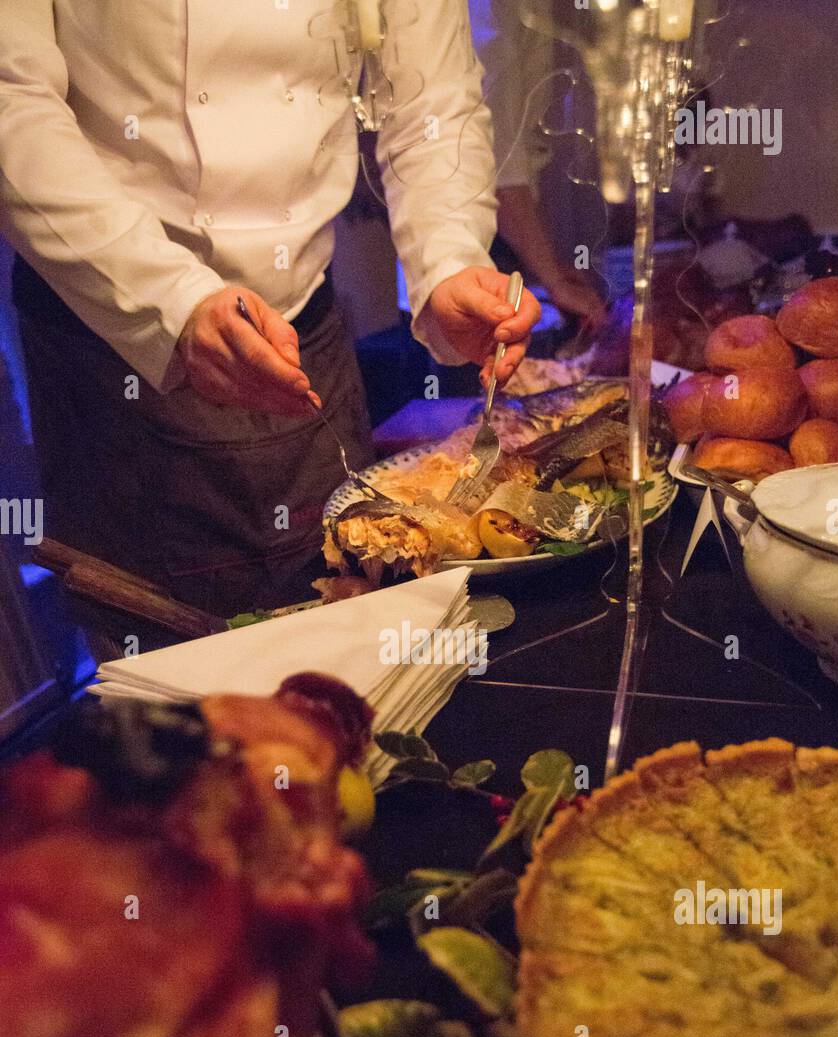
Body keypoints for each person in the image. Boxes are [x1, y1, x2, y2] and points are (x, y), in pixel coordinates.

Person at [0, 1, 539, 617]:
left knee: (361, 620)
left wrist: (447, 258)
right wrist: (170, 300)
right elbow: (12, 98)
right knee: (174, 677)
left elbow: (430, 102)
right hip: (116, 338)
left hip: (310, 331)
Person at [468, 0, 605, 336]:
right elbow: (499, 168)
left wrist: (553, 268)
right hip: (475, 252)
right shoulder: (495, 11)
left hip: (508, 246)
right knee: (484, 383)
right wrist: (554, 279)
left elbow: (518, 162)